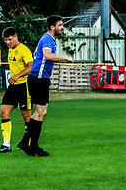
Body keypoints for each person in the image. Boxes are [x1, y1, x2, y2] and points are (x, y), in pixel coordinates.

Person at [21, 15, 73, 157]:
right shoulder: (47, 39)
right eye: (60, 25)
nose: (62, 27)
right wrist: (65, 57)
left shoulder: (48, 39)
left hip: (40, 78)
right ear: (52, 27)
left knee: (40, 113)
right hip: (38, 79)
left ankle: (31, 145)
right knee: (41, 112)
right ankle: (28, 143)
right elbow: (48, 56)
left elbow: (39, 55)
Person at [0, 27, 34, 153]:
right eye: (5, 40)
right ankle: (6, 145)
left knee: (26, 116)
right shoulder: (10, 50)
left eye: (9, 39)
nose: (7, 42)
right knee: (3, 112)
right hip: (13, 87)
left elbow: (31, 67)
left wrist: (17, 76)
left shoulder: (24, 50)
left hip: (24, 86)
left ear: (16, 37)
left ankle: (30, 144)